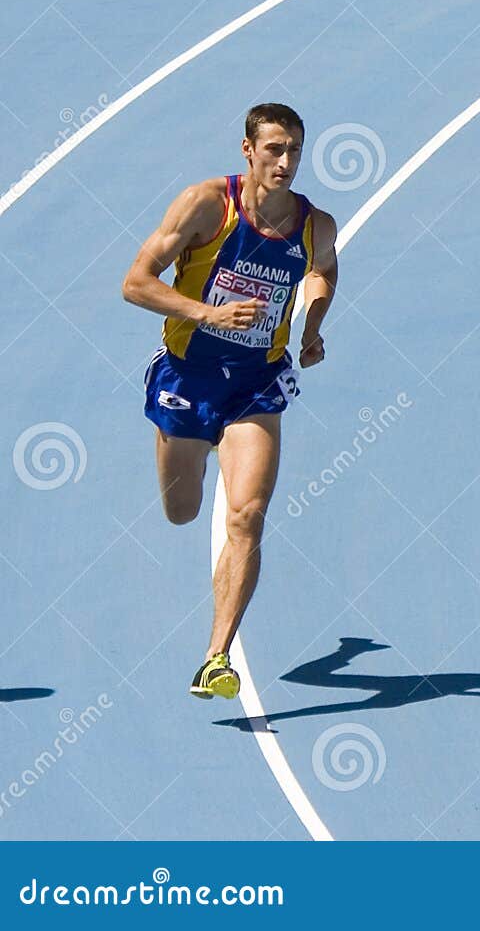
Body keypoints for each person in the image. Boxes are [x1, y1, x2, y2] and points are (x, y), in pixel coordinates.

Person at [122, 103, 338, 699]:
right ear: (248, 149)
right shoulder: (205, 205)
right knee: (183, 511)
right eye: (274, 149)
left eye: (295, 150)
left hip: (255, 383)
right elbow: (135, 282)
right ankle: (192, 443)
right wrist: (206, 313)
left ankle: (215, 656)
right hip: (188, 377)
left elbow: (323, 271)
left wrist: (313, 325)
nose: (286, 162)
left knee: (247, 516)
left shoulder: (315, 224)